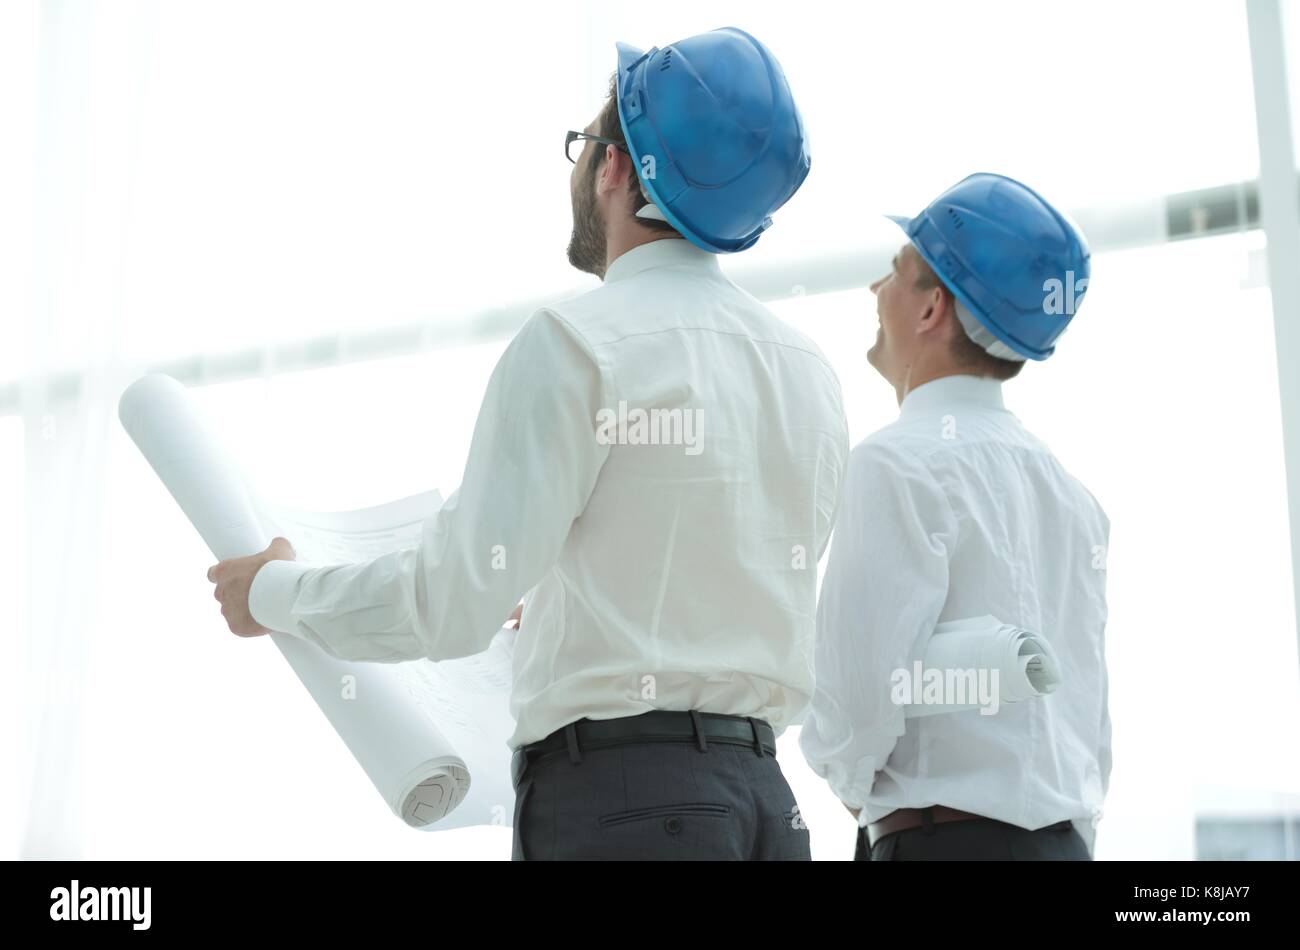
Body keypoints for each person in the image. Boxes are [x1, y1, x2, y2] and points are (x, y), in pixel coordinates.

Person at [207, 27, 848, 861]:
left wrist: (273, 594)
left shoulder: (578, 343)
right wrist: (562, 611)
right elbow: (707, 582)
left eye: (585, 147)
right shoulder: (807, 372)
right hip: (766, 807)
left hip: (624, 807)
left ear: (617, 167)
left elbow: (449, 601)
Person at [798, 173, 1111, 860]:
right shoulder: (1071, 494)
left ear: (931, 309)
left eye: (893, 274)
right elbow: (1088, 719)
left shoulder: (893, 464)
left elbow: (852, 705)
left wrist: (865, 796)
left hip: (941, 844)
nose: (875, 293)